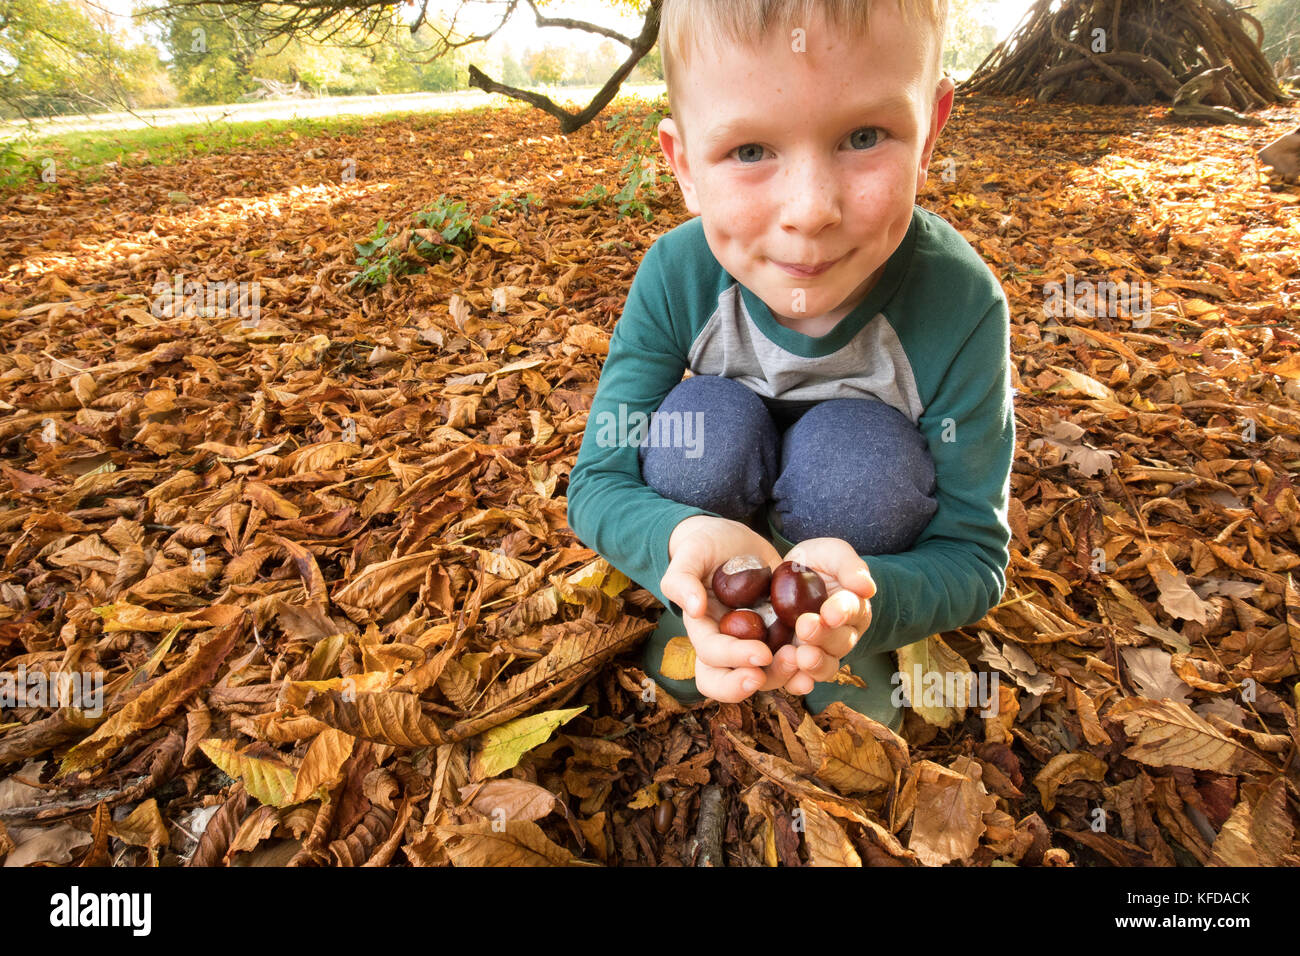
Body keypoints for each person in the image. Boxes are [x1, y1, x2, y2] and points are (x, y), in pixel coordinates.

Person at [566, 0, 1014, 731]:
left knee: (862, 469)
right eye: (749, 152)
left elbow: (973, 554)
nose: (810, 210)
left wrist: (871, 604)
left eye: (864, 136)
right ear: (683, 165)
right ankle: (707, 612)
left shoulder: (958, 304)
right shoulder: (676, 276)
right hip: (721, 488)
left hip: (858, 525)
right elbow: (597, 482)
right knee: (698, 435)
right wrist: (680, 545)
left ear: (930, 132)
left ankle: (844, 639)